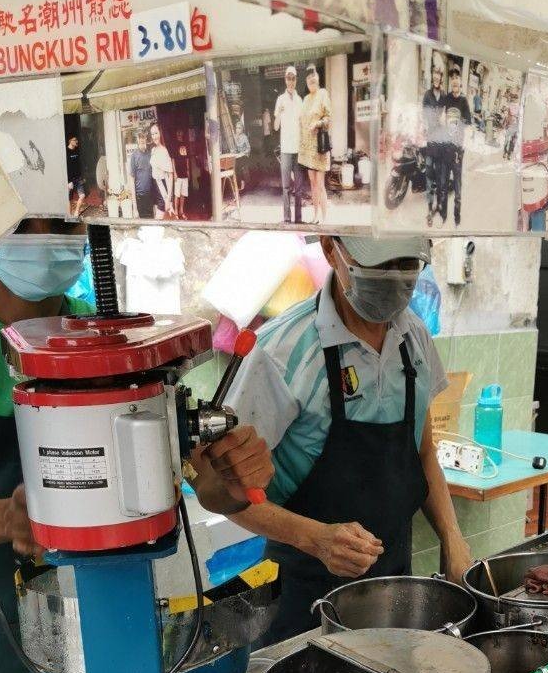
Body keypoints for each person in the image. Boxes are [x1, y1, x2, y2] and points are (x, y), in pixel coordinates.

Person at [190, 234, 473, 645]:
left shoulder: (416, 340)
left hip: (394, 589)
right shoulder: (281, 350)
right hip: (302, 597)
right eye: (376, 265)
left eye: (407, 266)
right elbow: (227, 492)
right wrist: (316, 539)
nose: (392, 279)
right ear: (330, 249)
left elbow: (424, 451)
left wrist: (453, 539)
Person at [0, 220, 88, 673]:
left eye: (61, 223)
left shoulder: (98, 331)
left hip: (88, 605)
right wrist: (6, 520)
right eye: (22, 225)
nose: (43, 239)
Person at [299, 64, 332, 225]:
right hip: (308, 149)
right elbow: (302, 121)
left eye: (313, 76)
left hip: (320, 146)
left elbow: (328, 118)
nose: (311, 79)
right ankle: (315, 215)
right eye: (308, 78)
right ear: (306, 81)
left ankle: (324, 218)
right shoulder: (305, 99)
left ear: (317, 78)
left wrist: (317, 123)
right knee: (312, 184)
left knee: (320, 184)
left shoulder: (323, 94)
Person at [439, 65, 471, 228]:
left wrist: (458, 131)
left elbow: (468, 122)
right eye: (453, 85)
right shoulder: (447, 99)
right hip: (446, 149)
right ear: (451, 85)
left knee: (457, 190)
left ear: (460, 86)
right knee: (443, 187)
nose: (455, 88)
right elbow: (439, 113)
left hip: (457, 151)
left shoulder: (464, 101)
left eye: (457, 85)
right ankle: (443, 216)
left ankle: (457, 218)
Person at [274, 65, 303, 224]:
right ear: (285, 80)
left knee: (298, 188)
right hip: (285, 149)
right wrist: (279, 113)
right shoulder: (280, 99)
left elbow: (302, 123)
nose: (290, 81)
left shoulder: (300, 100)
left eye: (293, 78)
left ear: (296, 80)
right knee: (286, 187)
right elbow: (275, 126)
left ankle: (298, 220)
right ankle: (286, 219)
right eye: (288, 78)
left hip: (298, 149)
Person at [421, 59, 445, 227]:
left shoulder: (444, 96)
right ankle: (429, 211)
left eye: (439, 75)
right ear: (432, 77)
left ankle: (439, 205)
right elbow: (423, 115)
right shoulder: (427, 95)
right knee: (429, 178)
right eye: (434, 75)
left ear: (441, 78)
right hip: (430, 140)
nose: (436, 78)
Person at [148, 122, 174, 218]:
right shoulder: (153, 150)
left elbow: (170, 176)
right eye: (152, 134)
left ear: (160, 133)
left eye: (156, 133)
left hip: (163, 191)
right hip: (156, 190)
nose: (154, 136)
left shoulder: (164, 151)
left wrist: (168, 200)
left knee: (159, 223)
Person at [129, 129, 155, 219]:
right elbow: (131, 181)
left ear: (146, 139)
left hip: (150, 196)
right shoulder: (134, 156)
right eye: (140, 138)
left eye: (143, 137)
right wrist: (134, 208)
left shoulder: (150, 154)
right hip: (140, 198)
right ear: (137, 140)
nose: (142, 140)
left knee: (151, 224)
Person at [173, 132, 190, 220]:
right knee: (177, 194)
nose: (179, 134)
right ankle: (176, 212)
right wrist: (174, 173)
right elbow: (173, 159)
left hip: (184, 174)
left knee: (183, 194)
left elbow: (186, 158)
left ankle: (181, 211)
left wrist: (188, 170)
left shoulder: (185, 144)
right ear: (176, 134)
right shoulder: (175, 145)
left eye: (180, 133)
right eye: (178, 133)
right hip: (178, 174)